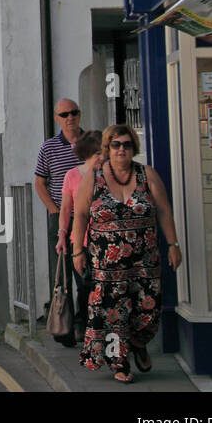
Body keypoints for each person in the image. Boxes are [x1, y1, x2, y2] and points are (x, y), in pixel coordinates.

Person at [71, 125, 182, 382]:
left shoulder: (147, 175)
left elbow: (164, 212)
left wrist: (174, 245)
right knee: (113, 312)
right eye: (116, 145)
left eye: (127, 145)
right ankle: (119, 364)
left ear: (134, 148)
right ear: (107, 148)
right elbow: (81, 215)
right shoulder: (94, 176)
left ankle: (139, 343)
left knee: (148, 309)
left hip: (145, 260)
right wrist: (78, 250)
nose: (121, 149)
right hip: (107, 262)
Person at [55, 129, 105, 338]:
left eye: (104, 154)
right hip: (81, 241)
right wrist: (62, 235)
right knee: (85, 289)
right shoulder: (73, 176)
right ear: (87, 155)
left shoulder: (108, 176)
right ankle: (85, 328)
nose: (102, 159)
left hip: (106, 240)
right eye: (97, 155)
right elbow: (66, 209)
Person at [34, 98, 84, 306]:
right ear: (57, 119)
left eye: (73, 112)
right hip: (62, 219)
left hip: (89, 220)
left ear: (79, 115)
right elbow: (39, 183)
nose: (70, 117)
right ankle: (65, 325)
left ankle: (85, 323)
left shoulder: (93, 143)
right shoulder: (49, 148)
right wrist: (54, 211)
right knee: (62, 273)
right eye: (64, 115)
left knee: (86, 274)